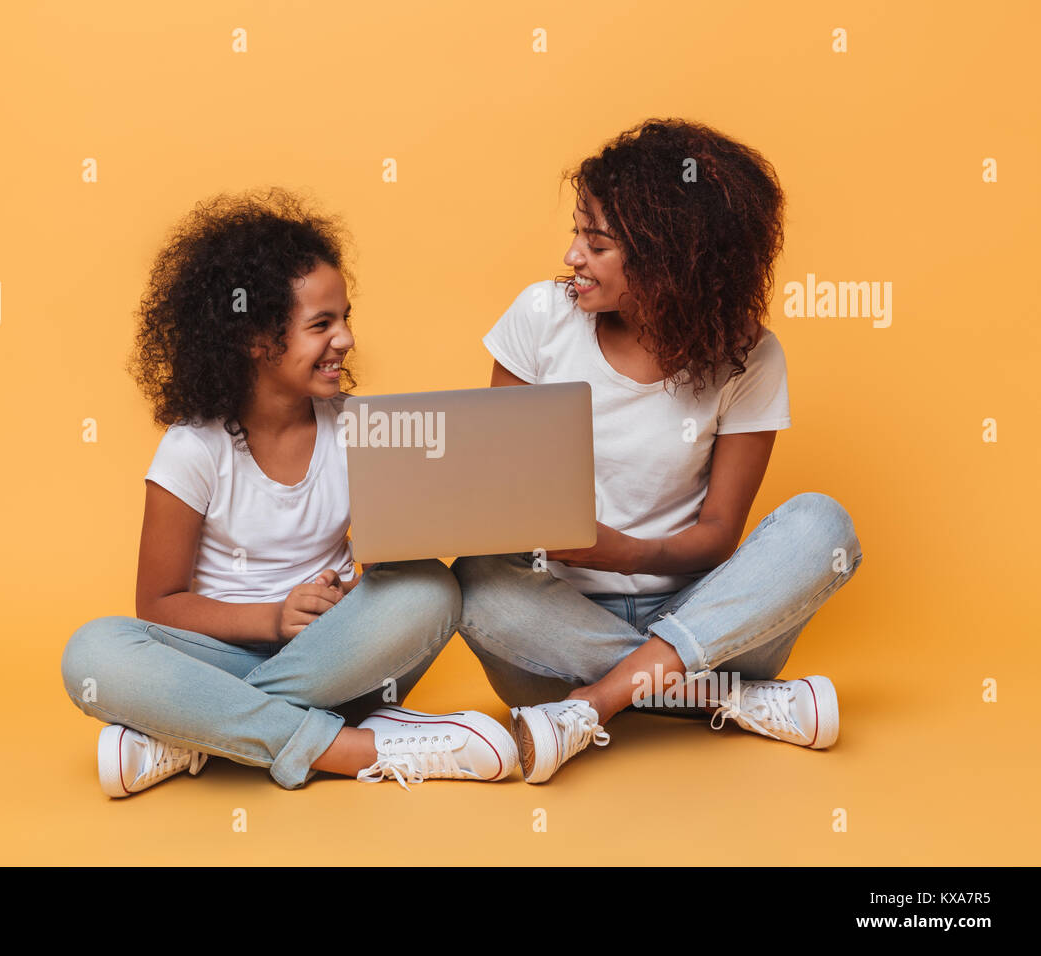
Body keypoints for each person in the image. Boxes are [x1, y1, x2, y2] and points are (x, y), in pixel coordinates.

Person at [61, 188, 517, 794]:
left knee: (431, 588)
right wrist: (274, 618)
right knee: (93, 650)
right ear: (254, 340)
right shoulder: (193, 450)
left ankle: (191, 735)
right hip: (218, 656)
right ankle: (349, 745)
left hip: (331, 657)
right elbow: (160, 605)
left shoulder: (362, 430)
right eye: (321, 324)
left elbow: (387, 562)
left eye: (346, 318)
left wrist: (372, 574)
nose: (347, 339)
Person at [451, 119, 864, 783]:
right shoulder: (541, 318)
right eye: (577, 233)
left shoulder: (749, 357)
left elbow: (718, 536)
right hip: (559, 630)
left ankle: (596, 704)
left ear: (671, 259)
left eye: (598, 242)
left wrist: (628, 553)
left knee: (823, 525)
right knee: (473, 583)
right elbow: (501, 499)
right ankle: (726, 701)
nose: (571, 257)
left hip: (708, 618)